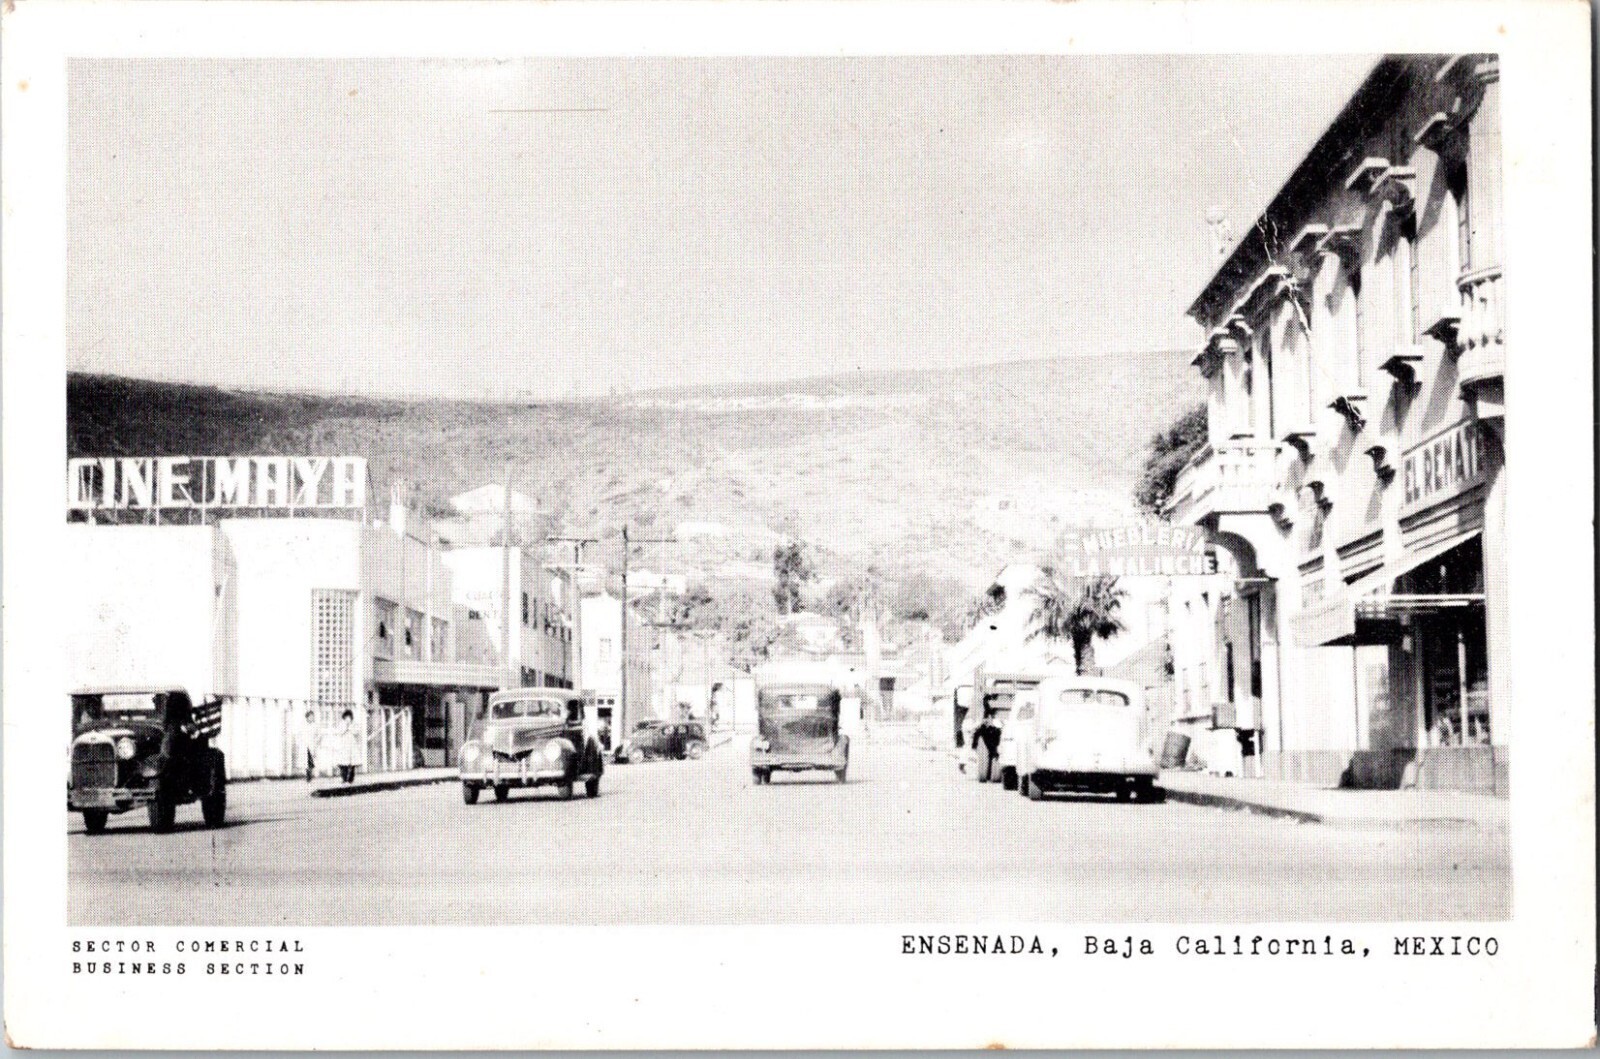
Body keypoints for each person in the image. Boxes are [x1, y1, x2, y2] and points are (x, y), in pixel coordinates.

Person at [330, 709, 361, 784]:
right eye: (347, 717)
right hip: (343, 746)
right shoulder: (341, 724)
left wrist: (350, 727)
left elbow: (356, 732)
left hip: (352, 746)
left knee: (352, 763)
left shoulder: (354, 724)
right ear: (344, 717)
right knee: (343, 763)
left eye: (349, 717)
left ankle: (350, 779)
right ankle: (344, 778)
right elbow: (339, 732)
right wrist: (346, 727)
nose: (348, 719)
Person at [296, 709, 321, 782]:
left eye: (313, 716)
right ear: (307, 717)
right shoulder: (302, 725)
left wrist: (316, 741)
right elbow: (298, 735)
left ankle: (309, 775)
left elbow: (319, 735)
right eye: (310, 716)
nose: (312, 718)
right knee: (305, 761)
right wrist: (299, 743)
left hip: (312, 744)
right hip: (304, 745)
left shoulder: (315, 725)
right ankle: (308, 775)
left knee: (311, 760)